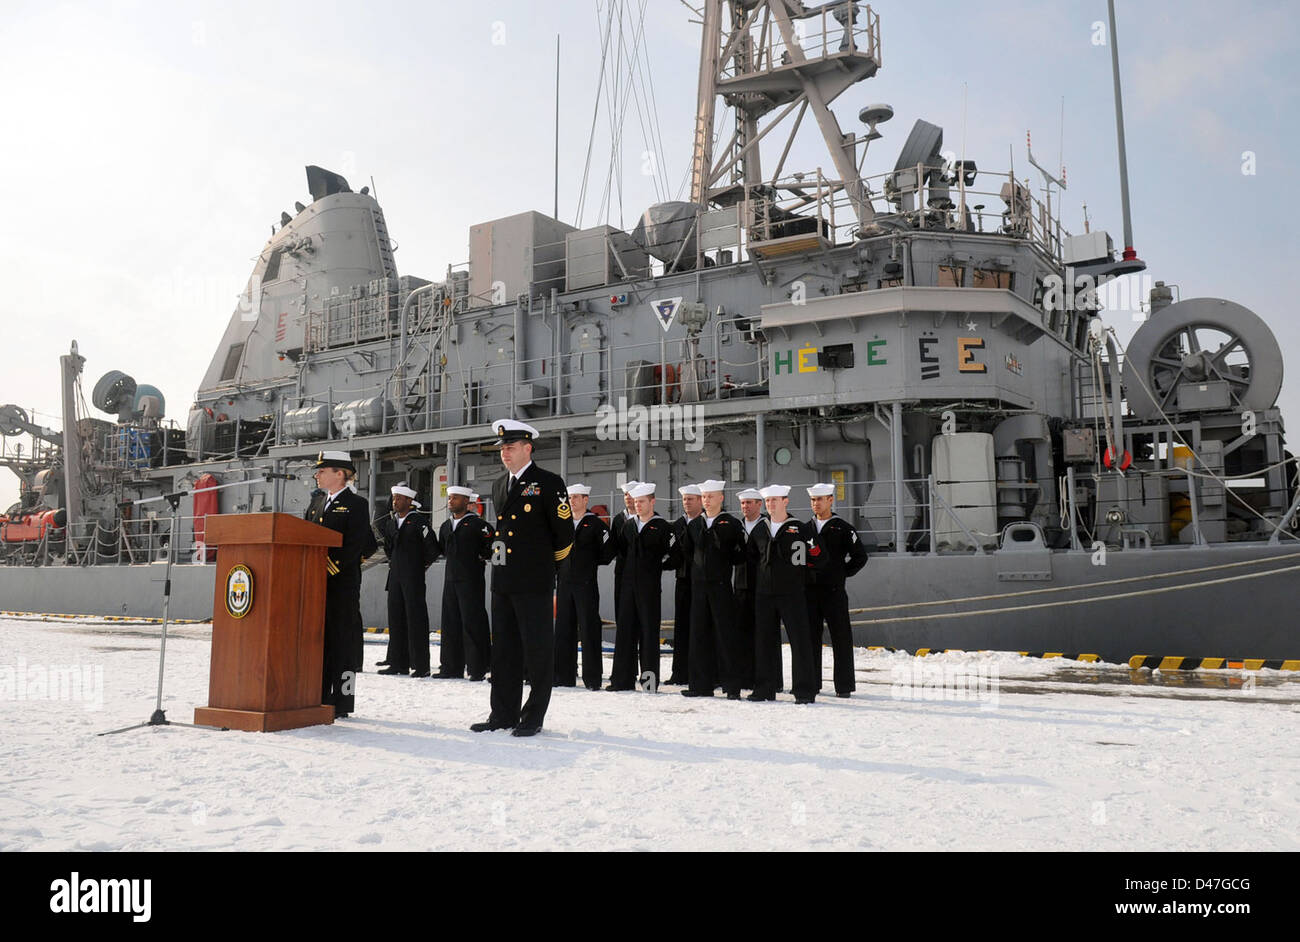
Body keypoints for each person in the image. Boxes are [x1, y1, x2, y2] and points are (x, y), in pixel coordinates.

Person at [470, 419, 573, 737]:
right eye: (502, 448)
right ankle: (502, 713)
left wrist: (546, 570)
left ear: (528, 448)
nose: (505, 453)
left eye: (511, 447)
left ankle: (533, 716)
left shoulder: (549, 482)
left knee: (538, 651)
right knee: (504, 650)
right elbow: (503, 533)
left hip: (533, 580)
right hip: (503, 581)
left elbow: (564, 536)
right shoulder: (500, 485)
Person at [305, 450, 377, 719]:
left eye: (322, 470)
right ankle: (319, 695)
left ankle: (342, 701)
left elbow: (357, 544)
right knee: (319, 642)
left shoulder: (356, 504)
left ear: (340, 474)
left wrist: (330, 567)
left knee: (342, 644)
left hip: (342, 585)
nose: (317, 474)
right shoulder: (316, 503)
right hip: (315, 585)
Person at [746, 484, 817, 704]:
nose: (770, 505)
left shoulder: (800, 529)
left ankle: (804, 691)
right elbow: (750, 561)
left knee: (800, 641)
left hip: (792, 593)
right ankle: (765, 688)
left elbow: (817, 556)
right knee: (764, 641)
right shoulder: (760, 529)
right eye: (767, 501)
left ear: (785, 501)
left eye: (774, 500)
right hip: (764, 594)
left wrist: (802, 579)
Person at [681, 480, 747, 699]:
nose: (707, 500)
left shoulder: (731, 523)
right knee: (698, 636)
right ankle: (700, 684)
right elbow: (688, 553)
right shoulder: (694, 525)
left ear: (721, 498)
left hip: (720, 587)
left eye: (711, 496)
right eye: (704, 497)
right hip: (699, 587)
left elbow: (741, 553)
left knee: (725, 636)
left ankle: (732, 686)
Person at [609, 482, 678, 691]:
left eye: (642, 502)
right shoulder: (628, 526)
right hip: (628, 586)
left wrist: (659, 567)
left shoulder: (663, 527)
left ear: (652, 501)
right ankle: (622, 681)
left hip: (648, 588)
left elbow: (676, 554)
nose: (637, 505)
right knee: (624, 634)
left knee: (649, 635)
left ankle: (649, 683)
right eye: (636, 501)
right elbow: (619, 551)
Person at [805, 483, 868, 698]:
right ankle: (812, 683)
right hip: (810, 592)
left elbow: (860, 556)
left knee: (841, 638)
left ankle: (844, 686)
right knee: (811, 638)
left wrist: (842, 574)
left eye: (820, 499)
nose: (816, 504)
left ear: (830, 500)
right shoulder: (806, 529)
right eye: (813, 500)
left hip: (834, 592)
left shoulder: (843, 528)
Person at [376, 483, 441, 677]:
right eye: (394, 498)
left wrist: (419, 567)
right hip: (395, 577)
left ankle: (421, 666)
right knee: (396, 620)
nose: (395, 502)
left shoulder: (419, 522)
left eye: (399, 499)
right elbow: (388, 548)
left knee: (416, 620)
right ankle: (398, 663)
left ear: (409, 501)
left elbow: (432, 548)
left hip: (413, 578)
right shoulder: (391, 523)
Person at [554, 483, 613, 690]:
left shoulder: (595, 524)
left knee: (589, 629)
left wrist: (588, 563)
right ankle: (564, 675)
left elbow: (608, 551)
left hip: (585, 583)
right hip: (564, 583)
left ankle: (592, 678)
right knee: (563, 630)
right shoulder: (561, 523)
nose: (573, 501)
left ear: (586, 500)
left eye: (577, 497)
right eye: (570, 498)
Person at [435, 485, 494, 680]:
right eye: (450, 498)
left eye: (455, 498)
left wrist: (481, 556)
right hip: (450, 580)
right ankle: (450, 667)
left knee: (472, 622)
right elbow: (442, 548)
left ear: (466, 502)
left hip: (471, 580)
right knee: (450, 623)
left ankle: (477, 668)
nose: (450, 501)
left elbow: (491, 546)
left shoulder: (479, 525)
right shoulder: (445, 526)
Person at [666, 484, 702, 685]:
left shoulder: (706, 523)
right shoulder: (678, 525)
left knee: (702, 627)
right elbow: (673, 554)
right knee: (681, 627)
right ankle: (679, 672)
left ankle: (706, 673)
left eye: (691, 499)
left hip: (703, 582)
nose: (686, 503)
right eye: (685, 499)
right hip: (683, 580)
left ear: (700, 501)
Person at [733, 487, 765, 691]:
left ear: (759, 504)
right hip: (741, 585)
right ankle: (745, 677)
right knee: (741, 634)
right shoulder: (737, 526)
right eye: (743, 503)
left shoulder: (767, 525)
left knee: (763, 635)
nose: (745, 506)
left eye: (750, 503)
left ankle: (768, 678)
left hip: (762, 587)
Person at [609, 480, 639, 627]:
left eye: (631, 494)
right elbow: (612, 545)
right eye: (625, 494)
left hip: (642, 573)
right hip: (622, 571)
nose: (627, 497)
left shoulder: (651, 519)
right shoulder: (618, 520)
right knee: (622, 610)